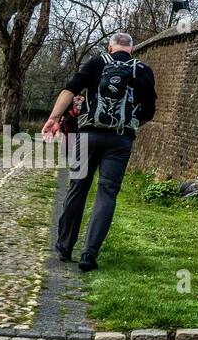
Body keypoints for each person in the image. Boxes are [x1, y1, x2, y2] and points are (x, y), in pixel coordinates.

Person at [41, 32, 157, 271]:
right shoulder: (143, 70)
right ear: (132, 50)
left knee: (77, 188)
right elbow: (148, 112)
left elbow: (69, 91)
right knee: (107, 193)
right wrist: (129, 126)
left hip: (87, 136)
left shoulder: (96, 62)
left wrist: (54, 118)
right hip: (120, 141)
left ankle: (64, 246)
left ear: (110, 47)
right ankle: (89, 255)